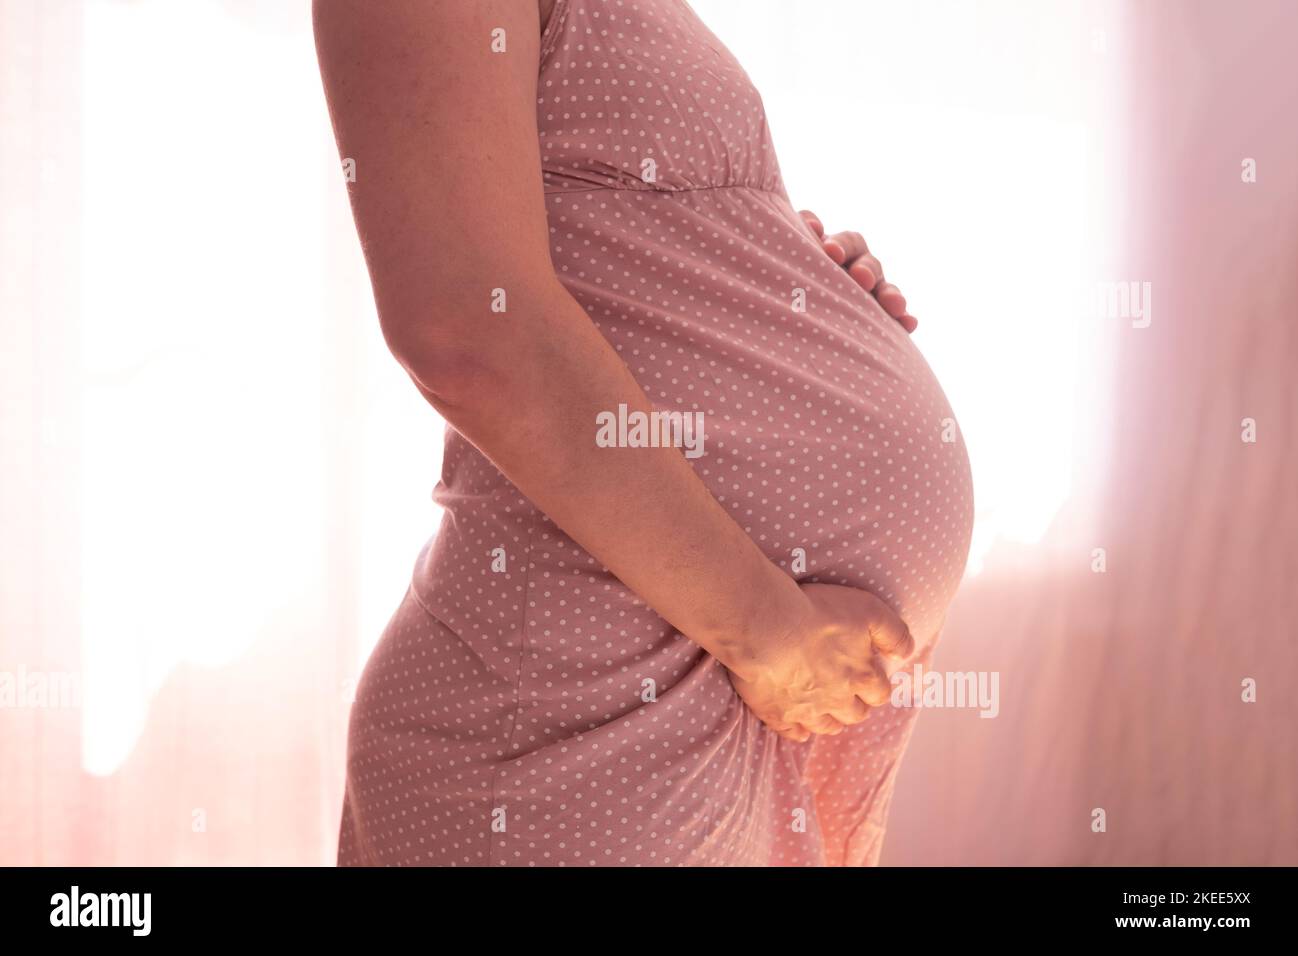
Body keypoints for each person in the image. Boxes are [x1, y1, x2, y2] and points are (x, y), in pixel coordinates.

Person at [313, 0, 973, 866]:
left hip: (696, 699)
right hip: (578, 727)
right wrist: (766, 628)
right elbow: (464, 329)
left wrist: (781, 280)